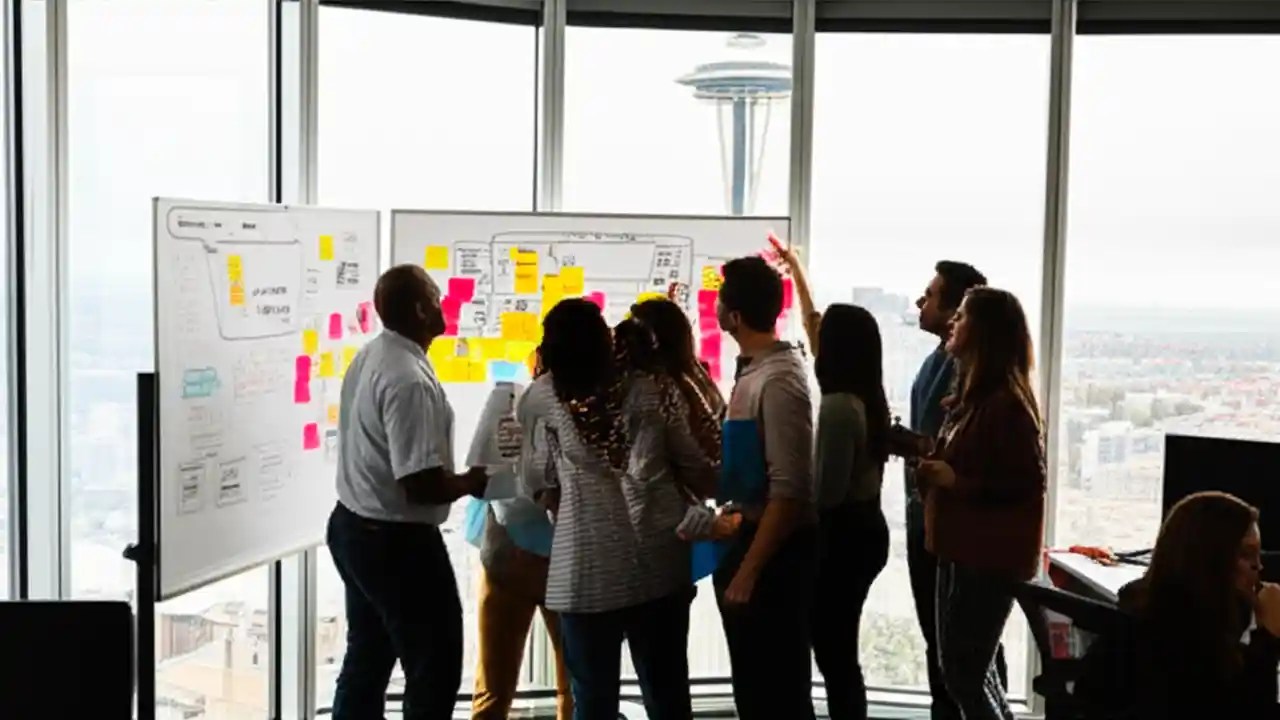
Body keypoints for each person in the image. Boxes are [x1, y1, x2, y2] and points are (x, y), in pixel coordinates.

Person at [518, 298, 717, 720]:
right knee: (666, 695)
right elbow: (695, 464)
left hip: (583, 569)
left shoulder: (542, 397)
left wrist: (569, 499)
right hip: (658, 561)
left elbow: (536, 480)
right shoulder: (651, 388)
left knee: (592, 702)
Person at [326, 265, 488, 720]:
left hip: (354, 528)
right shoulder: (408, 380)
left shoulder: (375, 354)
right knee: (434, 666)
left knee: (368, 658)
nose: (443, 305)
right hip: (396, 545)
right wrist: (472, 481)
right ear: (421, 309)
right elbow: (419, 484)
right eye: (436, 297)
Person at [916, 286, 1046, 720]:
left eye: (964, 315)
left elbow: (1026, 484)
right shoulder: (973, 401)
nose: (954, 321)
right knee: (969, 670)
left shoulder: (1006, 406)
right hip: (960, 548)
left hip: (984, 557)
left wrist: (955, 480)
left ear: (985, 332)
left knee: (964, 674)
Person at [714, 255, 817, 720]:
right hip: (747, 536)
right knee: (753, 688)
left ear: (734, 316)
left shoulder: (779, 380)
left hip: (774, 554)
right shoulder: (754, 370)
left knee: (775, 692)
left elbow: (790, 491)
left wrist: (749, 571)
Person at [1076, 492, 1280, 719]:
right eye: (1245, 554)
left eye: (1258, 554)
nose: (1259, 566)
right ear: (1208, 559)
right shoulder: (1176, 640)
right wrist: (1268, 637)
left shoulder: (1149, 608)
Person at [902, 261, 997, 720]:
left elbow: (951, 450)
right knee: (942, 644)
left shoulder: (968, 372)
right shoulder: (937, 361)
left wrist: (908, 445)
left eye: (931, 294)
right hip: (928, 518)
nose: (921, 302)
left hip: (949, 527)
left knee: (959, 652)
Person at [471, 371, 571, 720]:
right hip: (563, 563)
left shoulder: (510, 408)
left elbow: (488, 483)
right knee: (574, 685)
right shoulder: (587, 415)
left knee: (493, 689)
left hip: (508, 558)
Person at [809, 304, 892, 720]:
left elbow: (828, 491)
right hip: (863, 530)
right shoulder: (865, 398)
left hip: (844, 535)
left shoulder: (839, 406)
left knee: (834, 652)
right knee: (838, 649)